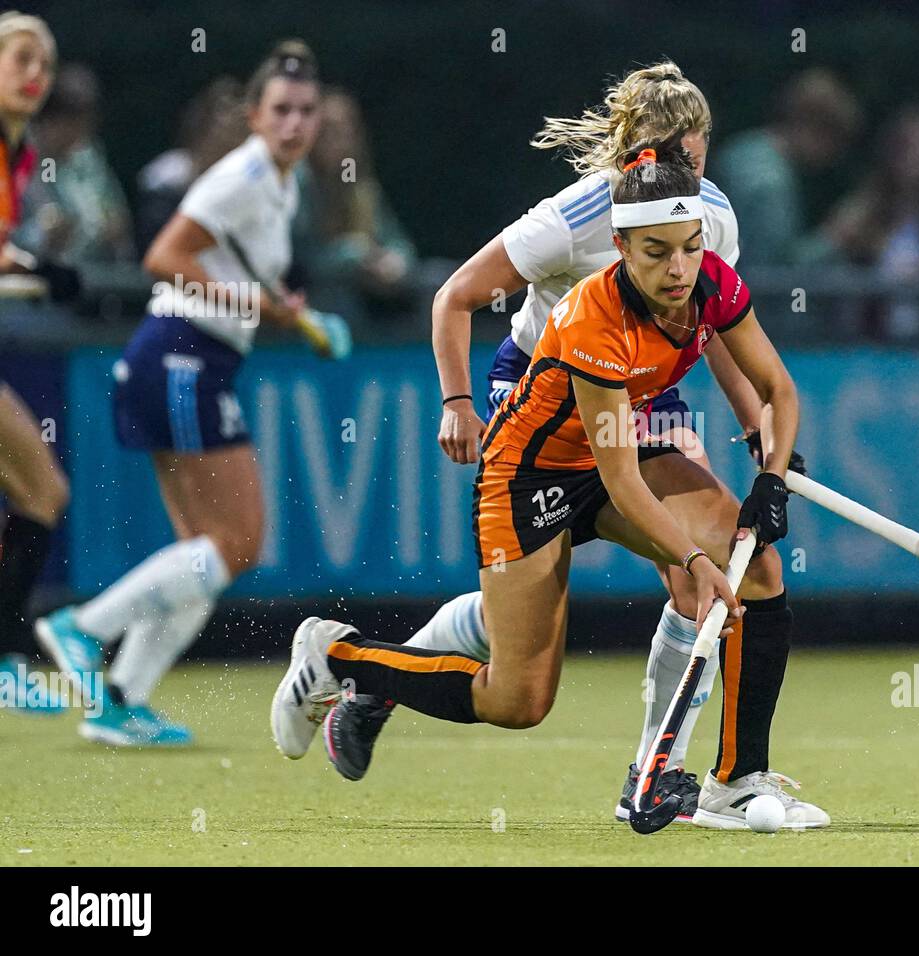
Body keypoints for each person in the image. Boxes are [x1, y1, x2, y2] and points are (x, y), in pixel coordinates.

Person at [272, 142, 829, 830]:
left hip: (619, 456)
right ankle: (337, 653)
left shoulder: (710, 281)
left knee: (759, 569)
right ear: (620, 245)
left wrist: (772, 477)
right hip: (531, 475)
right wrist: (691, 559)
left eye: (689, 247)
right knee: (517, 700)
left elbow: (776, 386)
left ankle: (733, 779)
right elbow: (622, 482)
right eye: (656, 252)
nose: (679, 268)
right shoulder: (595, 317)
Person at [428, 60, 802, 823]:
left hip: (644, 392)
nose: (682, 180)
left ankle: (658, 773)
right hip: (541, 391)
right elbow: (456, 295)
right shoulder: (573, 218)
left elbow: (720, 327)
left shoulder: (709, 218)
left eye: (694, 162)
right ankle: (383, 667)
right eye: (669, 161)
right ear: (636, 154)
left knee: (725, 570)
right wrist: (458, 403)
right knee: (528, 656)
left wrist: (756, 424)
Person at [36, 40, 351, 746]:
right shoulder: (239, 176)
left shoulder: (280, 181)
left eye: (305, 111)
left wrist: (289, 312)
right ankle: (81, 629)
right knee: (239, 544)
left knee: (205, 552)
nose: (296, 123)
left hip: (191, 360)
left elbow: (231, 274)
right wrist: (259, 306)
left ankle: (119, 701)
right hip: (180, 357)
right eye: (282, 111)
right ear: (255, 116)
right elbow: (164, 257)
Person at [0, 11, 67, 713]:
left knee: (41, 494)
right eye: (19, 58)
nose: (32, 75)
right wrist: (40, 267)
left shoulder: (19, 153)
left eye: (41, 65)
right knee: (43, 492)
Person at [825, 105, 919, 339]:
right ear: (894, 155)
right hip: (868, 340)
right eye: (913, 150)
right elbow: (834, 261)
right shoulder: (863, 208)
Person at [712, 68, 862, 269]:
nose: (833, 158)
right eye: (836, 143)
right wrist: (834, 237)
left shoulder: (739, 150)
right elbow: (773, 273)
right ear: (816, 129)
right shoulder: (771, 183)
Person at [291, 89, 416, 318]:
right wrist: (355, 255)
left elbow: (397, 242)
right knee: (339, 300)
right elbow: (300, 258)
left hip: (370, 292)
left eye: (347, 130)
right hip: (310, 296)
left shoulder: (359, 184)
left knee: (437, 281)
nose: (340, 140)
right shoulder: (297, 182)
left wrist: (396, 261)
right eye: (330, 131)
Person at [11, 63, 135, 269]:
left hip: (90, 277)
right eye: (74, 126)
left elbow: (115, 215)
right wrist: (42, 236)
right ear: (47, 121)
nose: (80, 137)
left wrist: (114, 227)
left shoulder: (86, 155)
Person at [135, 76, 246, 252]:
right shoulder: (167, 176)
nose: (230, 136)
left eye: (238, 131)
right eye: (222, 128)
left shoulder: (248, 180)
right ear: (203, 126)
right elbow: (154, 245)